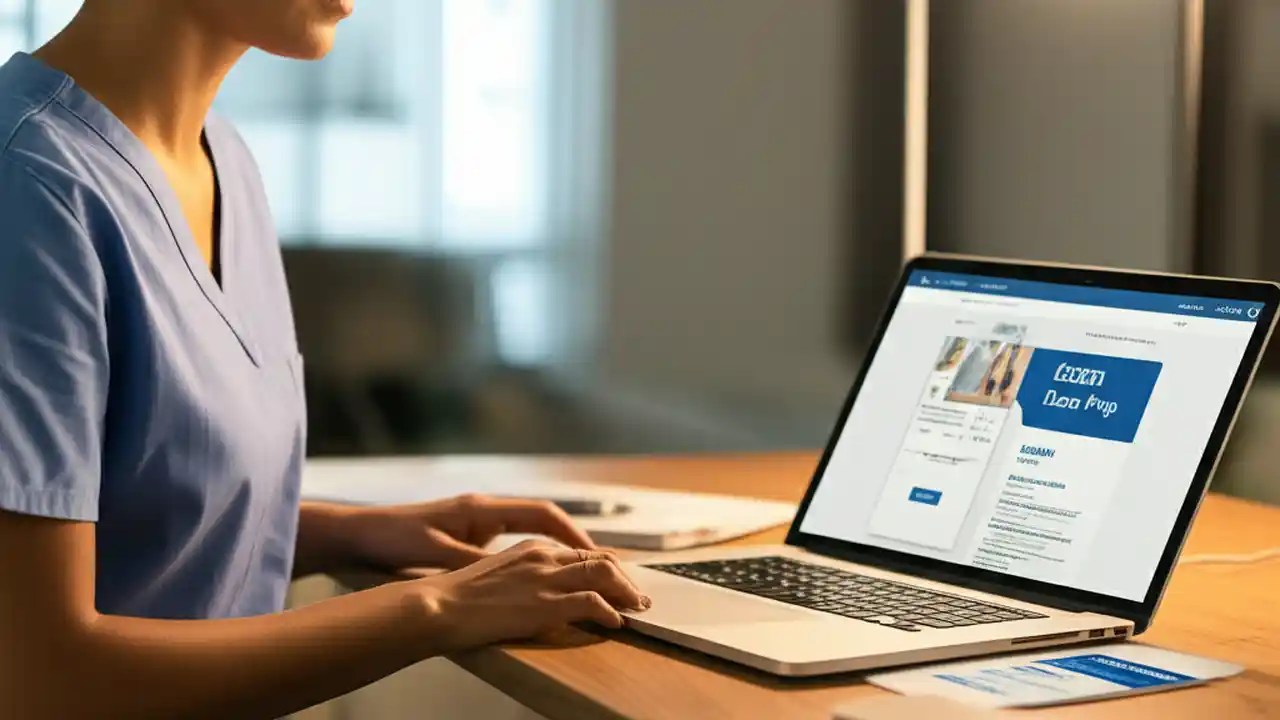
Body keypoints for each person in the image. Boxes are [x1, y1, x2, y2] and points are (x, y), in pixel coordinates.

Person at [0, 2, 648, 717]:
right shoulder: (27, 188)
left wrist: (351, 531)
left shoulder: (223, 158)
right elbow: (43, 675)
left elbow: (135, 517)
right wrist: (437, 608)